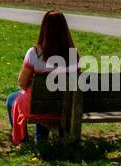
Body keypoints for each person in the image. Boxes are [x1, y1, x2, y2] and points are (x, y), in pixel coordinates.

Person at [7, 10, 78, 145]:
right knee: (43, 101)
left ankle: (23, 142)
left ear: (44, 28)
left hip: (39, 106)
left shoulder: (34, 53)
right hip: (65, 107)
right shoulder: (74, 54)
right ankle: (41, 140)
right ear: (64, 29)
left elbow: (22, 84)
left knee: (13, 99)